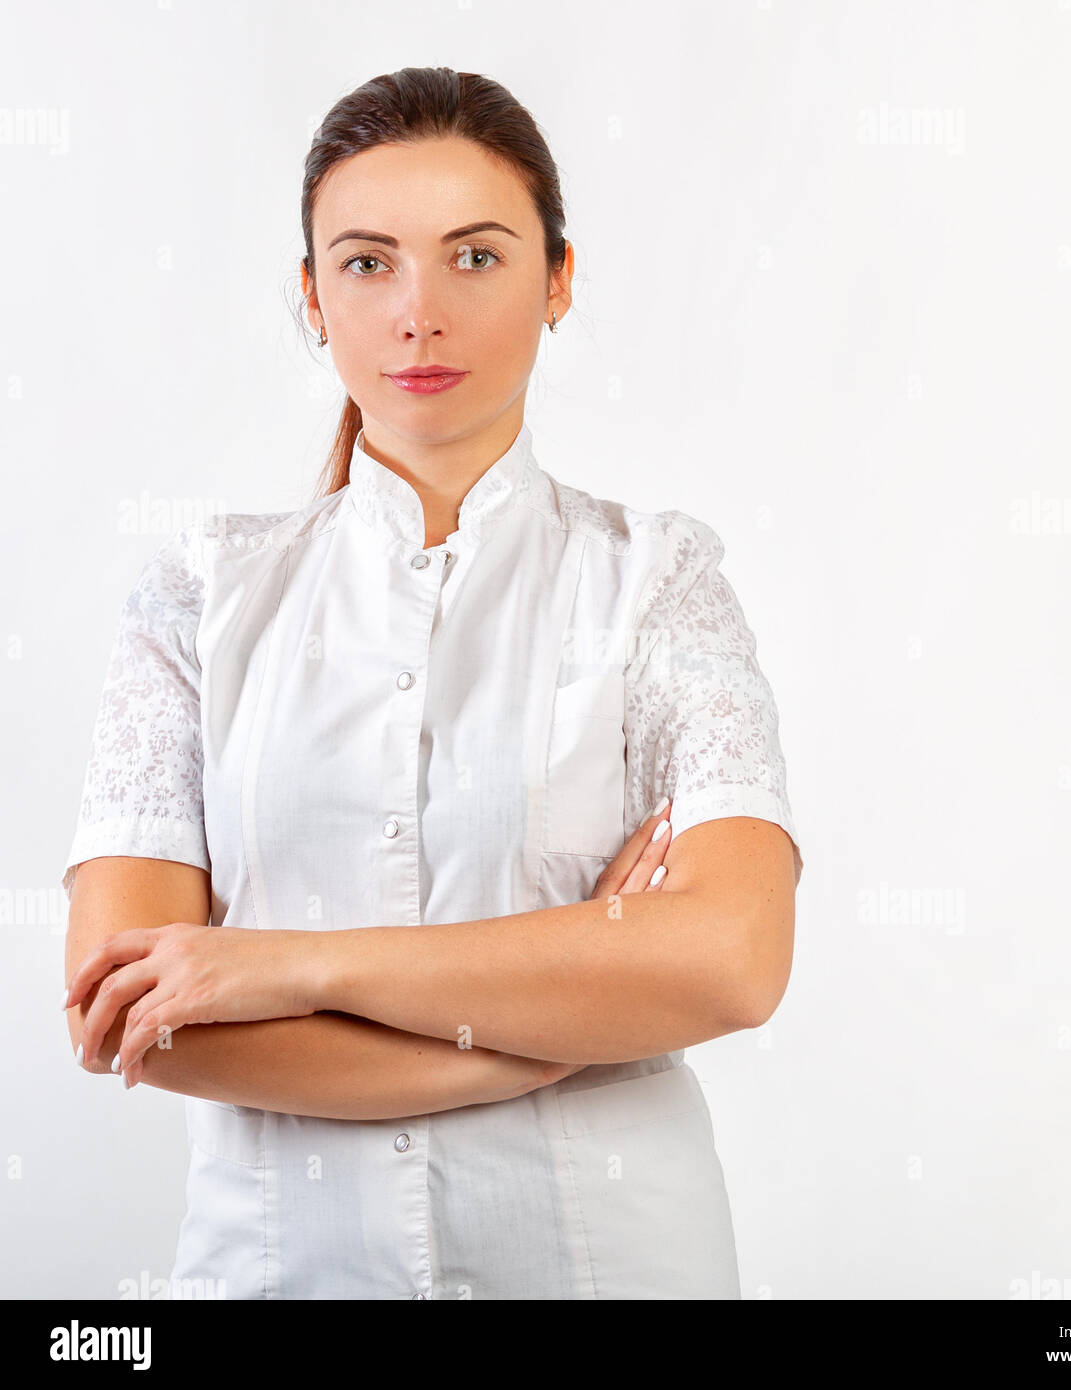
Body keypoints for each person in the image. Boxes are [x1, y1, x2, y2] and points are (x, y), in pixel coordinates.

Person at [61, 65, 803, 1300]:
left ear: (558, 279)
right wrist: (548, 1031)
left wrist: (284, 965)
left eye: (474, 256)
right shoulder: (196, 597)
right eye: (366, 263)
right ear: (310, 297)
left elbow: (730, 958)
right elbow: (138, 1013)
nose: (418, 314)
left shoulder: (659, 582)